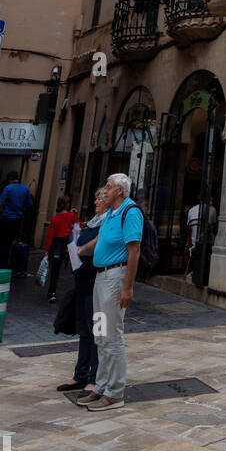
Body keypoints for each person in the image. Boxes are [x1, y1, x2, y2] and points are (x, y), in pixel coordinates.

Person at [75, 173, 143, 411]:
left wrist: (128, 286)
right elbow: (102, 239)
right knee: (100, 334)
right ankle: (101, 386)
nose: (105, 191)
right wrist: (83, 249)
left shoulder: (130, 212)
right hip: (101, 277)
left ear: (121, 191)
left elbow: (134, 250)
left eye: (109, 187)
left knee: (112, 336)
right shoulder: (112, 213)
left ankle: (115, 391)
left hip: (115, 278)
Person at [56, 188, 109, 395]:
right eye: (96, 197)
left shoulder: (108, 223)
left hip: (98, 284)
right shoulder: (92, 222)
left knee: (98, 332)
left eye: (100, 198)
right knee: (85, 331)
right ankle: (80, 374)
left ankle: (95, 378)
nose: (96, 201)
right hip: (82, 283)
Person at [0, 171, 33, 272]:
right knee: (15, 243)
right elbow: (29, 205)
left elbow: (0, 203)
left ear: (10, 179)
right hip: (18, 220)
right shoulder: (25, 189)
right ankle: (13, 265)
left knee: (4, 244)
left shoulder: (8, 188)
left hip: (7, 219)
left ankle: (1, 266)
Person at [45, 195, 78, 303]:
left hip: (56, 245)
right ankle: (75, 295)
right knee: (75, 267)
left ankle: (52, 292)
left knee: (55, 270)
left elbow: (50, 235)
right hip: (68, 245)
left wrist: (47, 249)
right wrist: (76, 214)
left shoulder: (55, 218)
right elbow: (79, 225)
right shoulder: (71, 216)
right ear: (67, 205)